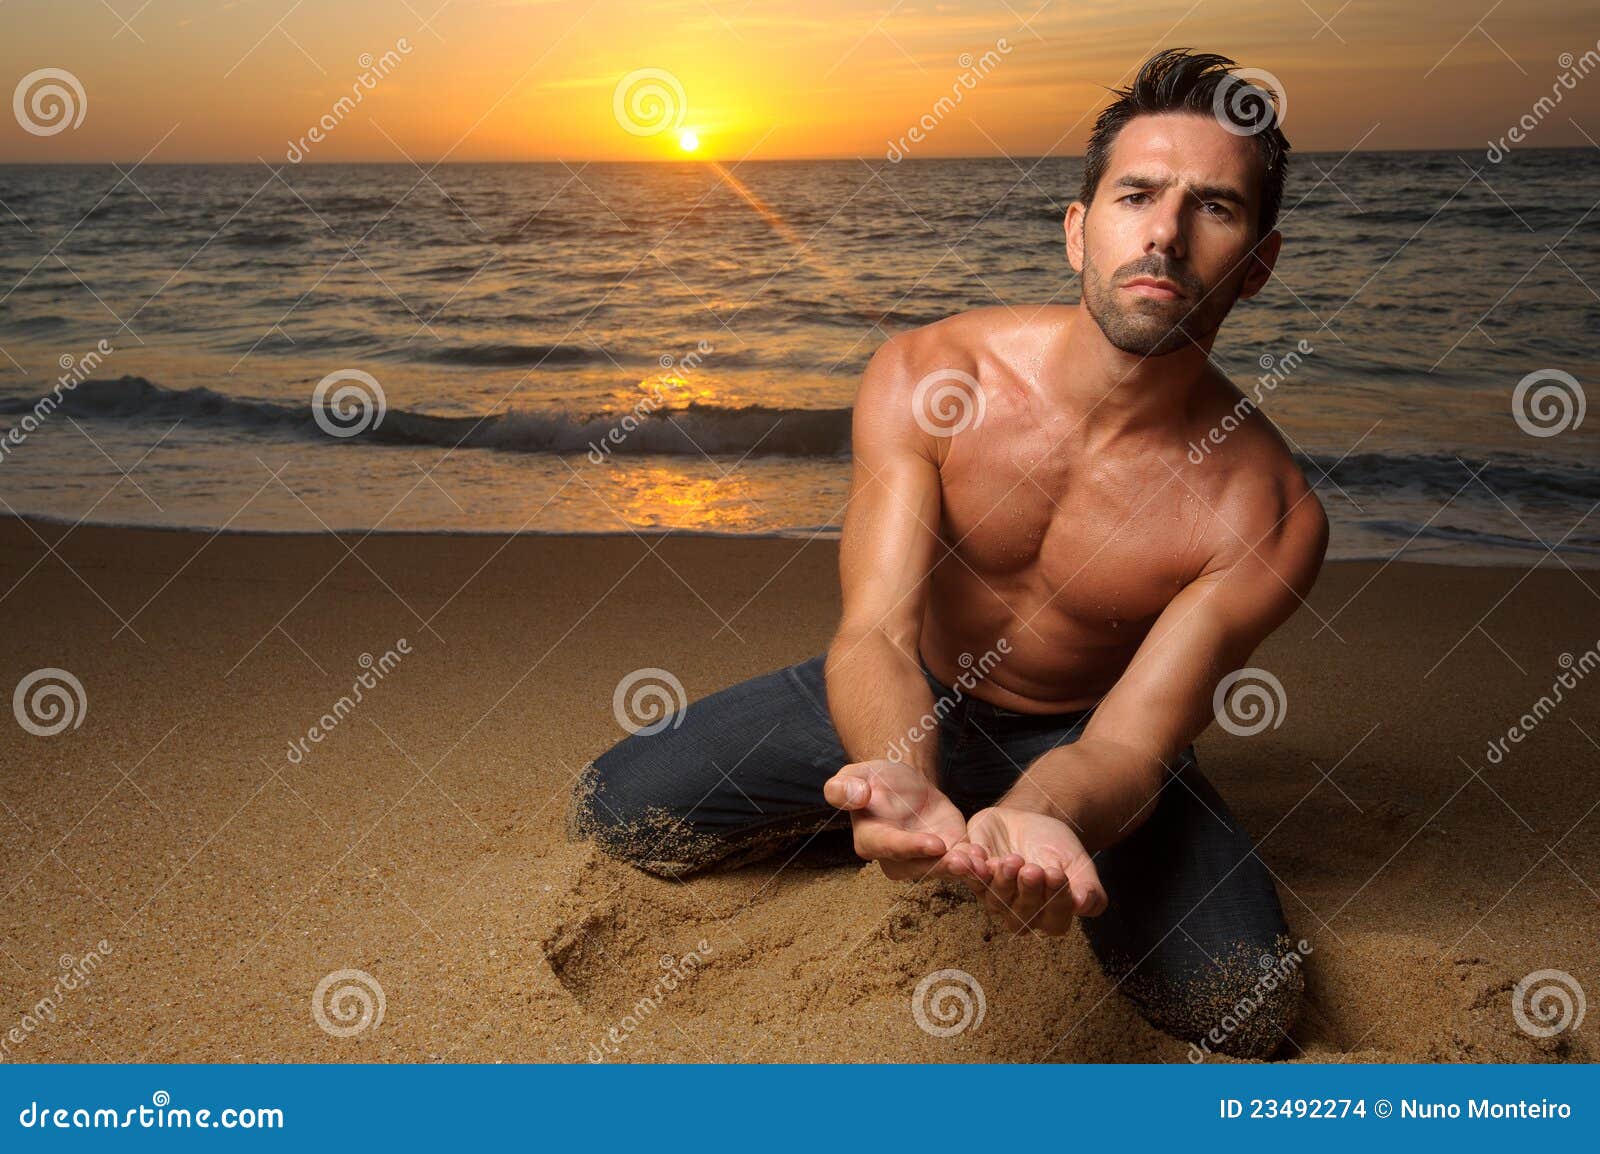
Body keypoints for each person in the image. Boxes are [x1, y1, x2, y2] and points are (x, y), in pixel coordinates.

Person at [571, 47, 1327, 1060]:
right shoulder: (934, 373)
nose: (1163, 233)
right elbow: (876, 628)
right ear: (1077, 228)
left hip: (1085, 737)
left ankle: (999, 832)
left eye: (1214, 207)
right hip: (909, 687)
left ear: (1259, 261)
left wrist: (1042, 814)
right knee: (612, 811)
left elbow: (1127, 746)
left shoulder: (1266, 511)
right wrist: (900, 777)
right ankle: (898, 815)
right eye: (1135, 194)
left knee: (1247, 1005)